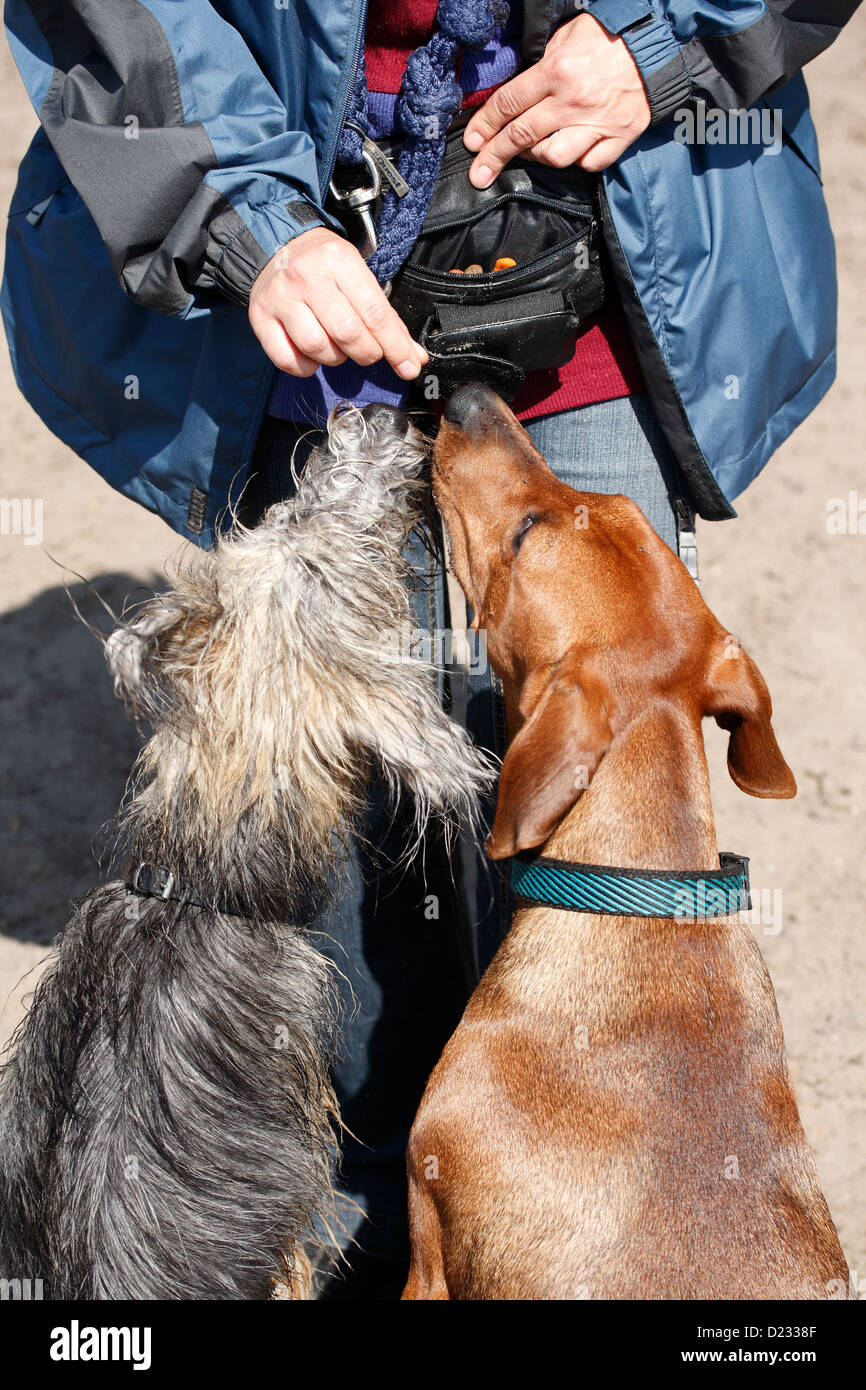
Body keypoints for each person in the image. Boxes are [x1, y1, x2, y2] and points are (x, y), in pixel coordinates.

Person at [3, 0, 859, 1297]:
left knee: (611, 861)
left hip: (611, 276)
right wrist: (240, 208)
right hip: (300, 284)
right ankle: (374, 1239)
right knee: (349, 897)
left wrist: (666, 41)